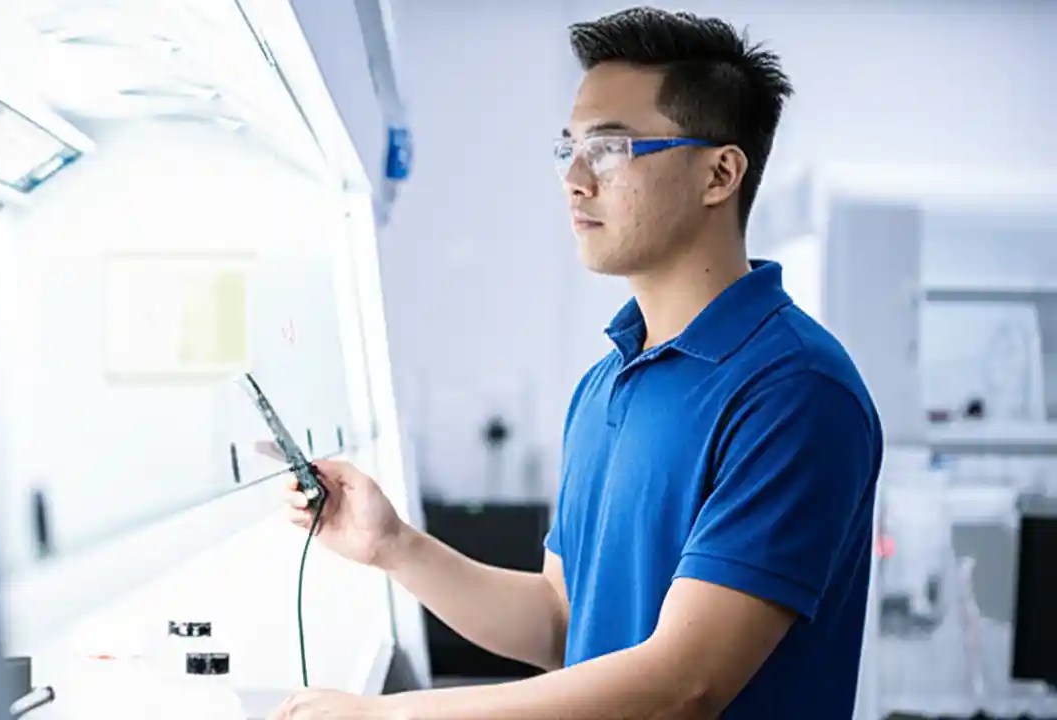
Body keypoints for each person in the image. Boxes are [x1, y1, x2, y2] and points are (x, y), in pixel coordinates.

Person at [268, 6, 882, 719]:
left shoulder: (795, 390)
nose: (575, 178)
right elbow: (563, 624)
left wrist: (388, 715)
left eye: (612, 148)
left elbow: (684, 684)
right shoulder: (606, 384)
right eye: (568, 149)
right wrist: (394, 545)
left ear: (719, 173)